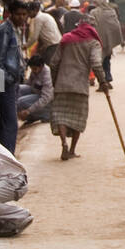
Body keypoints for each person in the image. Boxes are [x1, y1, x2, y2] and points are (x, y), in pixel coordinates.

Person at [51, 17, 110, 161]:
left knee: (61, 115)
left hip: (62, 84)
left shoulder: (66, 39)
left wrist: (55, 81)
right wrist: (103, 82)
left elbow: (54, 63)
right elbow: (96, 63)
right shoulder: (93, 43)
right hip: (80, 86)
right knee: (78, 118)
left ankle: (63, 143)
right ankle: (71, 150)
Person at [0, 0, 28, 155]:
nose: (22, 17)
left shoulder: (14, 30)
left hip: (11, 81)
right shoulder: (4, 31)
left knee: (6, 121)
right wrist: (0, 86)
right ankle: (8, 157)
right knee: (10, 122)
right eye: (18, 14)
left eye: (24, 14)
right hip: (6, 82)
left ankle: (3, 156)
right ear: (10, 14)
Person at [90, 0, 124, 85]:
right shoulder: (112, 11)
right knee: (107, 60)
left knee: (98, 62)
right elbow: (116, 25)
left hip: (98, 40)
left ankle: (103, 82)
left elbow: (91, 25)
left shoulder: (94, 12)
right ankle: (107, 78)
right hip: (109, 40)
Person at [17, 53, 53, 125]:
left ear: (41, 66)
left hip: (46, 101)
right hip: (35, 92)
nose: (34, 71)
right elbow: (29, 84)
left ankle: (40, 115)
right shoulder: (34, 71)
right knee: (17, 89)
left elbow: (45, 98)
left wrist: (29, 111)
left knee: (21, 102)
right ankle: (30, 116)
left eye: (35, 69)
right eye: (32, 69)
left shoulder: (47, 75)